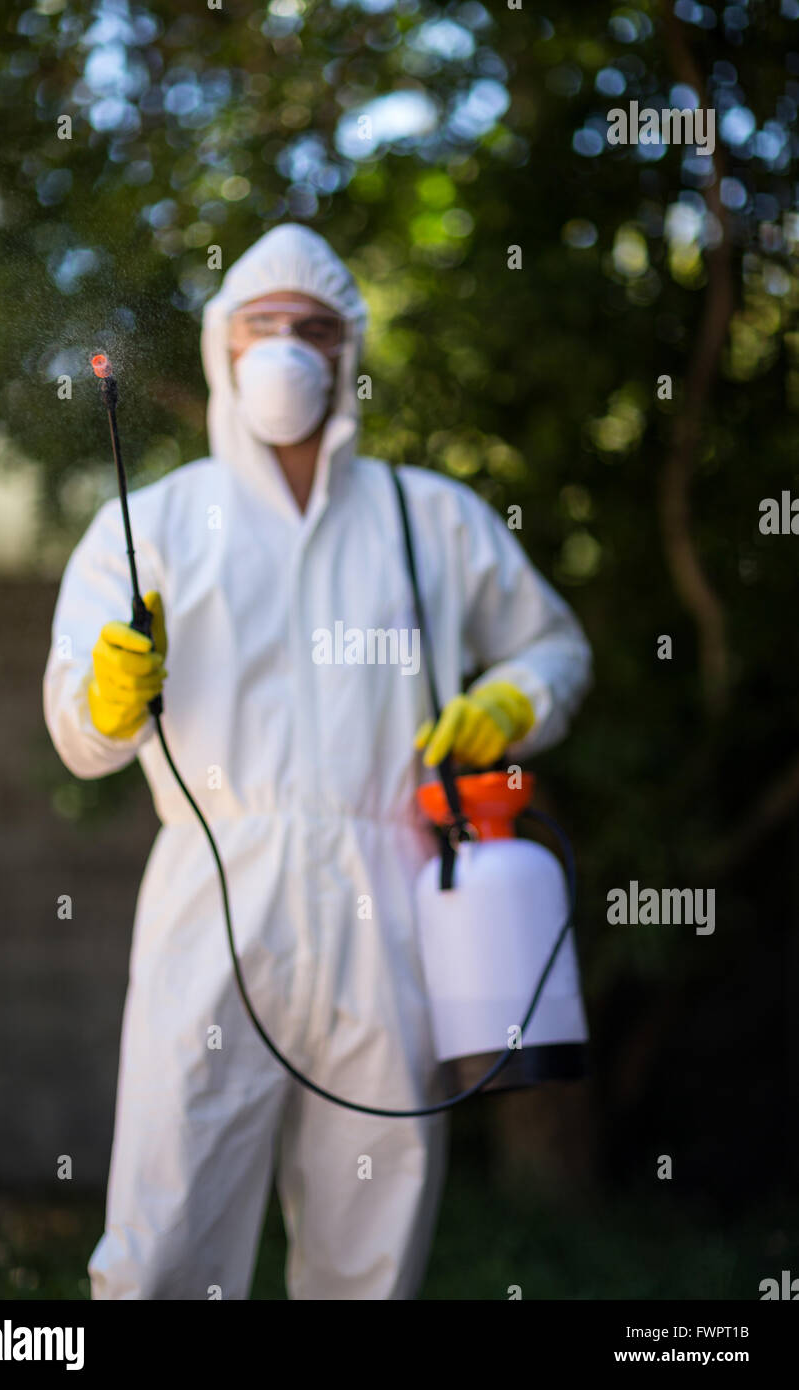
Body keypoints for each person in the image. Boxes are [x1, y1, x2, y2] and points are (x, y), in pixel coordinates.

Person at [43, 222, 593, 1301]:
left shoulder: (427, 516)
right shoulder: (151, 524)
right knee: (163, 1240)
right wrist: (109, 700)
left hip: (386, 905)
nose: (287, 347)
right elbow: (78, 733)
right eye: (263, 326)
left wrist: (510, 699)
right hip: (213, 902)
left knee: (370, 1244)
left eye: (314, 327)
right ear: (223, 347)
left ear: (349, 352)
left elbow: (554, 644)